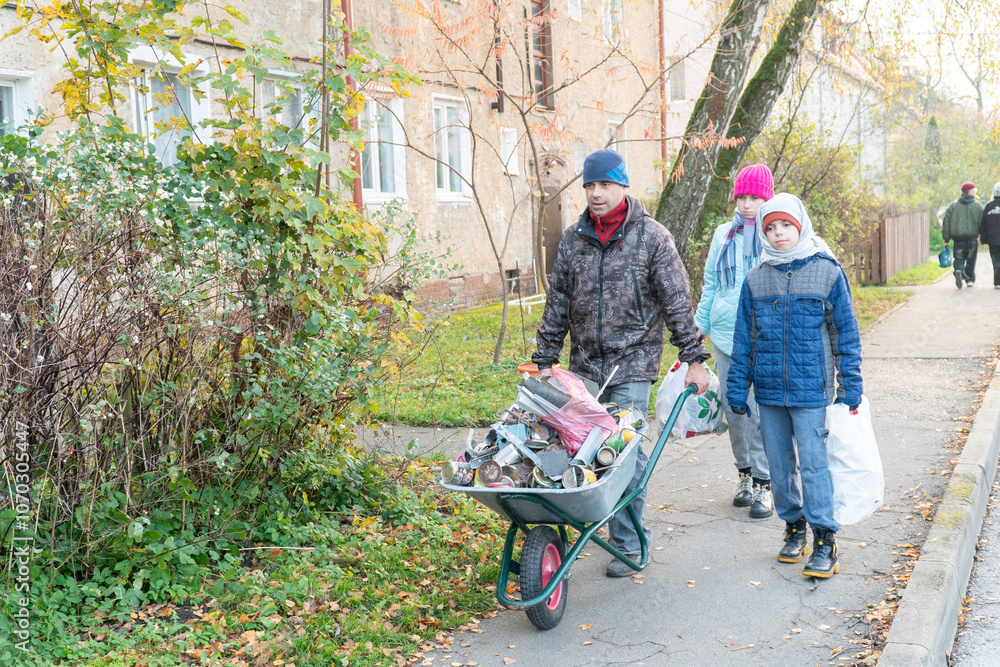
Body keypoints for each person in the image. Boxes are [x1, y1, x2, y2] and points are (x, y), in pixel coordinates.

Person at [532, 147, 711, 578]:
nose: (596, 193)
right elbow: (557, 303)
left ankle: (627, 543)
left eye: (605, 184)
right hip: (585, 365)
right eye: (590, 185)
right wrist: (544, 360)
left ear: (623, 186)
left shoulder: (652, 238)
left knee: (623, 451)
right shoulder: (575, 241)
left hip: (633, 363)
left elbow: (676, 301)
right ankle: (575, 535)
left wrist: (694, 359)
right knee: (573, 447)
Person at [726, 193, 863, 579]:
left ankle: (824, 537)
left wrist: (850, 386)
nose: (778, 233)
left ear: (800, 224)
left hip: (812, 392)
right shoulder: (756, 278)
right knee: (780, 466)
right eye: (770, 227)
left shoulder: (828, 271)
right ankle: (793, 526)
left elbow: (845, 335)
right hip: (769, 393)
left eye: (785, 225)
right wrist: (737, 390)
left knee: (815, 466)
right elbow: (744, 339)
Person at [695, 164, 774, 519]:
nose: (746, 204)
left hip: (763, 336)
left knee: (760, 411)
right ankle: (744, 474)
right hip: (726, 335)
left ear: (767, 198)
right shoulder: (722, 234)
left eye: (754, 197)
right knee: (734, 408)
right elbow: (711, 283)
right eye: (742, 196)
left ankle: (764, 483)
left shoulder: (777, 233)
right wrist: (698, 327)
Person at [943, 181, 984, 289]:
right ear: (970, 191)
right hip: (972, 238)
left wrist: (946, 238)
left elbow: (946, 221)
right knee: (971, 258)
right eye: (974, 190)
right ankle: (970, 279)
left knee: (959, 257)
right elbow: (982, 222)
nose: (975, 192)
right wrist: (983, 236)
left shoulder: (954, 205)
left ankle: (959, 270)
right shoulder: (978, 206)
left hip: (958, 239)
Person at [979, 182, 1000, 289]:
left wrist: (983, 239)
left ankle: (997, 282)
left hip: (993, 239)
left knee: (996, 261)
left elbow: (983, 224)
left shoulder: (989, 206)